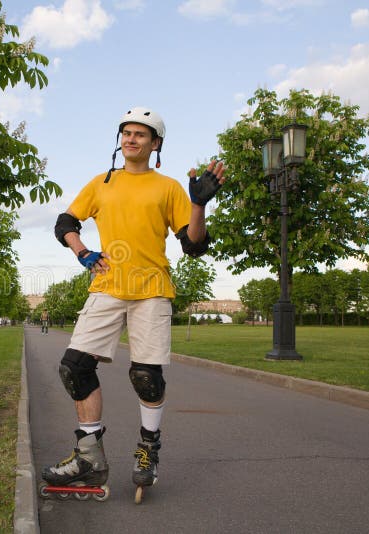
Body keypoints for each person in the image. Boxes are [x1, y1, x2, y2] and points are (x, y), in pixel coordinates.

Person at [42, 107, 226, 494]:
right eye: (126, 132)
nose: (131, 138)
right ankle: (89, 455)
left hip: (152, 290)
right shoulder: (102, 182)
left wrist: (199, 205)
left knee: (146, 376)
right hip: (107, 286)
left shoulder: (168, 187)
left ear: (155, 143)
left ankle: (148, 449)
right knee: (74, 368)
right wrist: (83, 253)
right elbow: (65, 222)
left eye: (140, 134)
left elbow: (193, 245)